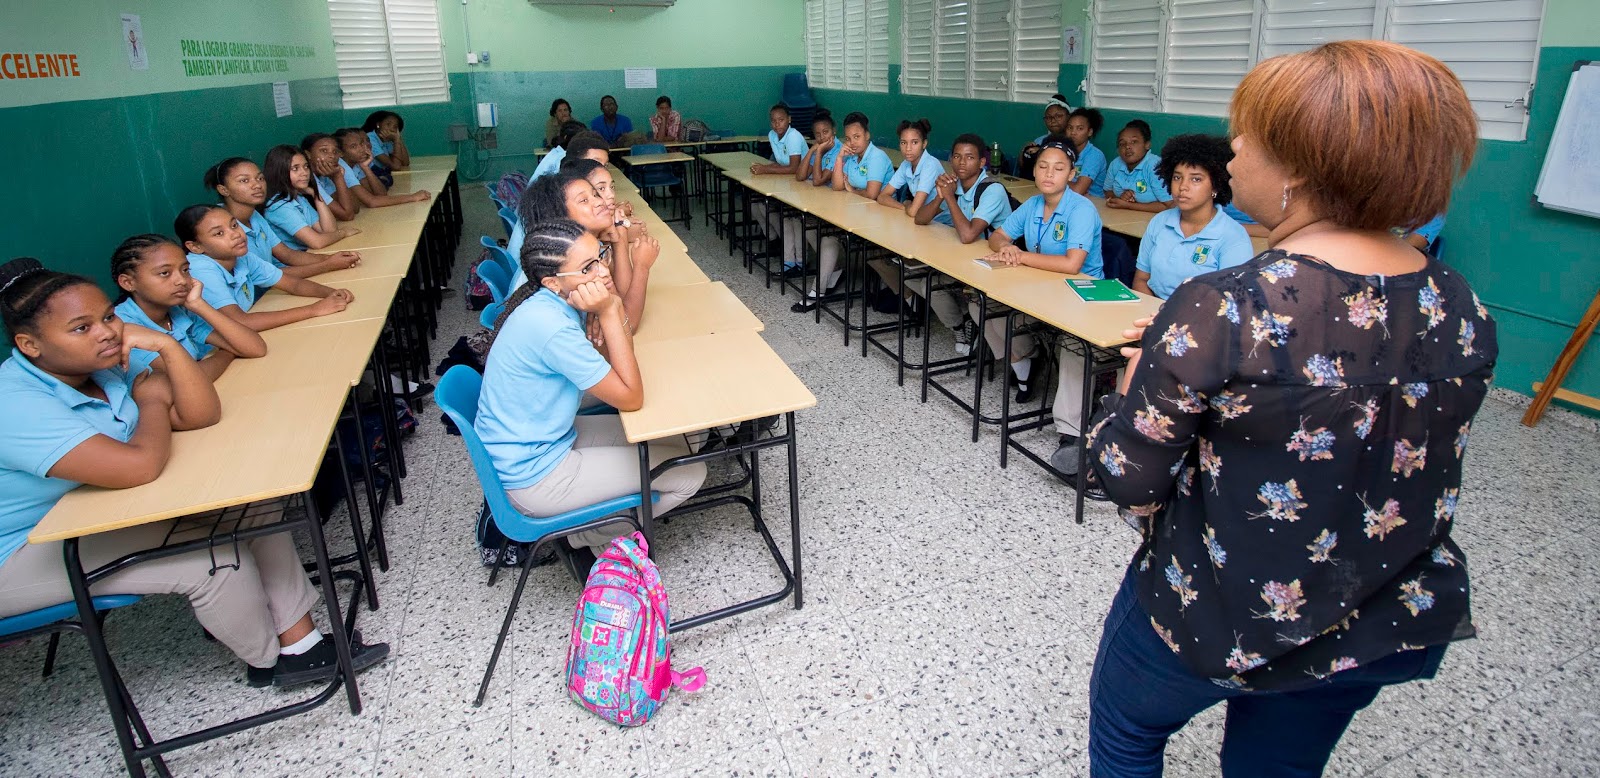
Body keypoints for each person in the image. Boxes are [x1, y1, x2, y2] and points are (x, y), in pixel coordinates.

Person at [1083, 40, 1493, 776]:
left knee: (1126, 731)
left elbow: (1127, 478)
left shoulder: (1225, 306)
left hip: (1215, 608)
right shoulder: (1459, 304)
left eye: (1247, 136)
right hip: (1368, 618)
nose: (1231, 151)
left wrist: (1140, 372)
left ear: (1298, 168)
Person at [0, 257, 389, 688]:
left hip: (94, 509)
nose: (107, 331)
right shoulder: (15, 404)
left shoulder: (102, 362)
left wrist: (167, 348)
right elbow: (141, 465)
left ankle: (301, 643)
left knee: (251, 503)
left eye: (108, 317)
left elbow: (201, 413)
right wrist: (151, 401)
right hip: (23, 550)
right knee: (215, 553)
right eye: (81, 327)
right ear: (29, 345)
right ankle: (270, 659)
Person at [478, 219, 704, 569]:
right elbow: (631, 396)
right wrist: (611, 310)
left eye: (599, 256)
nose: (603, 269)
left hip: (545, 440)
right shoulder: (551, 327)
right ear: (553, 282)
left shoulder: (553, 304)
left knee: (677, 443)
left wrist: (604, 313)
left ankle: (595, 526)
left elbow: (608, 363)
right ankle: (587, 538)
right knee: (691, 473)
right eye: (588, 267)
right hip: (535, 476)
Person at [986, 137, 1102, 415]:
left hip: (1082, 293)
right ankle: (1026, 358)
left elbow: (1072, 265)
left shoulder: (1081, 208)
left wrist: (1021, 256)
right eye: (1043, 166)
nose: (1049, 174)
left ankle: (1071, 421)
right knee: (985, 305)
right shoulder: (1033, 203)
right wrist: (1007, 248)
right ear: (1034, 170)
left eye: (1059, 168)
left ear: (1072, 174)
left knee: (1074, 346)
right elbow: (998, 236)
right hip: (1043, 284)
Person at [913, 133, 1017, 358]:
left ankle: (973, 321)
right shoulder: (954, 185)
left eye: (970, 157)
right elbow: (920, 219)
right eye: (957, 156)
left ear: (982, 163)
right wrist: (941, 196)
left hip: (993, 265)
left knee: (932, 284)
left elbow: (968, 235)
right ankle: (961, 327)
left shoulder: (992, 190)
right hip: (965, 259)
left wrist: (949, 197)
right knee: (922, 281)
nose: (962, 162)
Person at [511, 172, 656, 331]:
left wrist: (619, 237)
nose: (600, 202)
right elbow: (628, 323)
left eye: (595, 194)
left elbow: (619, 299)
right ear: (561, 218)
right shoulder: (572, 265)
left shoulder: (589, 251)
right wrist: (641, 267)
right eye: (584, 200)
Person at [111, 234, 267, 381]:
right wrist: (227, 352)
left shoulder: (178, 310)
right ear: (128, 282)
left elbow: (256, 348)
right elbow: (192, 379)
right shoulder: (121, 326)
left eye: (185, 270)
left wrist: (199, 305)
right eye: (165, 273)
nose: (182, 280)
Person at [175, 204, 354, 331]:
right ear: (195, 247)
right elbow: (240, 322)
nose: (236, 235)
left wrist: (331, 293)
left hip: (241, 340)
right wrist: (314, 309)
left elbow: (291, 284)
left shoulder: (240, 256)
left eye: (234, 225)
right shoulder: (199, 269)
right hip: (213, 353)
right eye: (219, 233)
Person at [1129, 134, 1255, 300]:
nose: (1183, 187)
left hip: (1201, 320)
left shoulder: (1233, 236)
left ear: (1215, 185)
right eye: (1177, 177)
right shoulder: (1159, 222)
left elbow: (1231, 304)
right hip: (1151, 313)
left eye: (1196, 179)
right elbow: (1141, 280)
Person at [204, 157, 360, 279]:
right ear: (223, 190)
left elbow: (288, 255)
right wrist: (328, 264)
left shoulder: (255, 216)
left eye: (260, 178)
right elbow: (268, 276)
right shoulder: (223, 226)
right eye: (244, 181)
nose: (257, 185)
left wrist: (333, 258)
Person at [785, 110, 845, 311]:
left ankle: (816, 292)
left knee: (827, 237)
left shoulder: (838, 150)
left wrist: (818, 152)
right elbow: (801, 176)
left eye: (825, 132)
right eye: (817, 134)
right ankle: (834, 268)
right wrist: (811, 151)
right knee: (806, 223)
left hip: (839, 207)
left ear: (834, 131)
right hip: (822, 205)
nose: (822, 137)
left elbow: (818, 181)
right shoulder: (819, 148)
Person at [260, 145, 361, 251]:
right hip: (294, 264)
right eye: (295, 168)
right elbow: (316, 242)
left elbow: (329, 231)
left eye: (306, 166)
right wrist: (343, 232)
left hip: (311, 254)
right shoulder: (279, 205)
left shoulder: (298, 198)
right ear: (279, 171)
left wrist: (316, 195)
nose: (304, 173)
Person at [749, 104, 811, 274]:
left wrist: (766, 169)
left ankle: (800, 260)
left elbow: (794, 168)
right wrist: (765, 167)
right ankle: (784, 251)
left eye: (781, 120)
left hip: (804, 182)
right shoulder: (772, 135)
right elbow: (781, 162)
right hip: (787, 182)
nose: (777, 124)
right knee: (763, 206)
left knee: (794, 218)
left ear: (789, 119)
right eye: (773, 121)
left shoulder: (793, 137)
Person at [333, 128, 431, 209]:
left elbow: (381, 193)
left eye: (361, 144)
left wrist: (365, 168)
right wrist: (413, 197)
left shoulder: (357, 164)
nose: (362, 149)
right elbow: (372, 202)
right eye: (354, 146)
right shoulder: (342, 166)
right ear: (340, 153)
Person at [1105, 120, 1173, 213]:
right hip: (1123, 218)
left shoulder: (1154, 166)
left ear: (1147, 145)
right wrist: (1120, 198)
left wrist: (1129, 205)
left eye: (1134, 142)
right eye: (1122, 143)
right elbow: (1107, 191)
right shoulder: (1115, 164)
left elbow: (1169, 205)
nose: (1127, 146)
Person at [301, 133, 360, 222]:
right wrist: (338, 178)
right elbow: (347, 216)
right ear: (308, 154)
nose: (332, 156)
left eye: (335, 151)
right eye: (324, 151)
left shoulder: (326, 174)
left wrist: (338, 178)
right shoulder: (306, 178)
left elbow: (355, 208)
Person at [1018, 95, 1073, 179]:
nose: (1053, 120)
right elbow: (1024, 167)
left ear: (1068, 117)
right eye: (1048, 117)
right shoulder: (1040, 140)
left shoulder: (1073, 141)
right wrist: (1024, 152)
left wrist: (1041, 151)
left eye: (1058, 116)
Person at [1066, 108, 1109, 197]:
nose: (1073, 132)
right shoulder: (1064, 151)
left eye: (1080, 128)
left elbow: (1078, 190)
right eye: (1070, 128)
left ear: (1089, 132)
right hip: (1070, 198)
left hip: (1094, 203)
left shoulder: (1095, 155)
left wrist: (1058, 181)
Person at [362, 110, 410, 184]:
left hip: (379, 173)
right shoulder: (370, 138)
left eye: (395, 127)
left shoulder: (387, 139)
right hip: (366, 177)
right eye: (388, 124)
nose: (391, 129)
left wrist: (398, 139)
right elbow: (396, 166)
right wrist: (396, 140)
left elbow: (405, 162)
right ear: (378, 124)